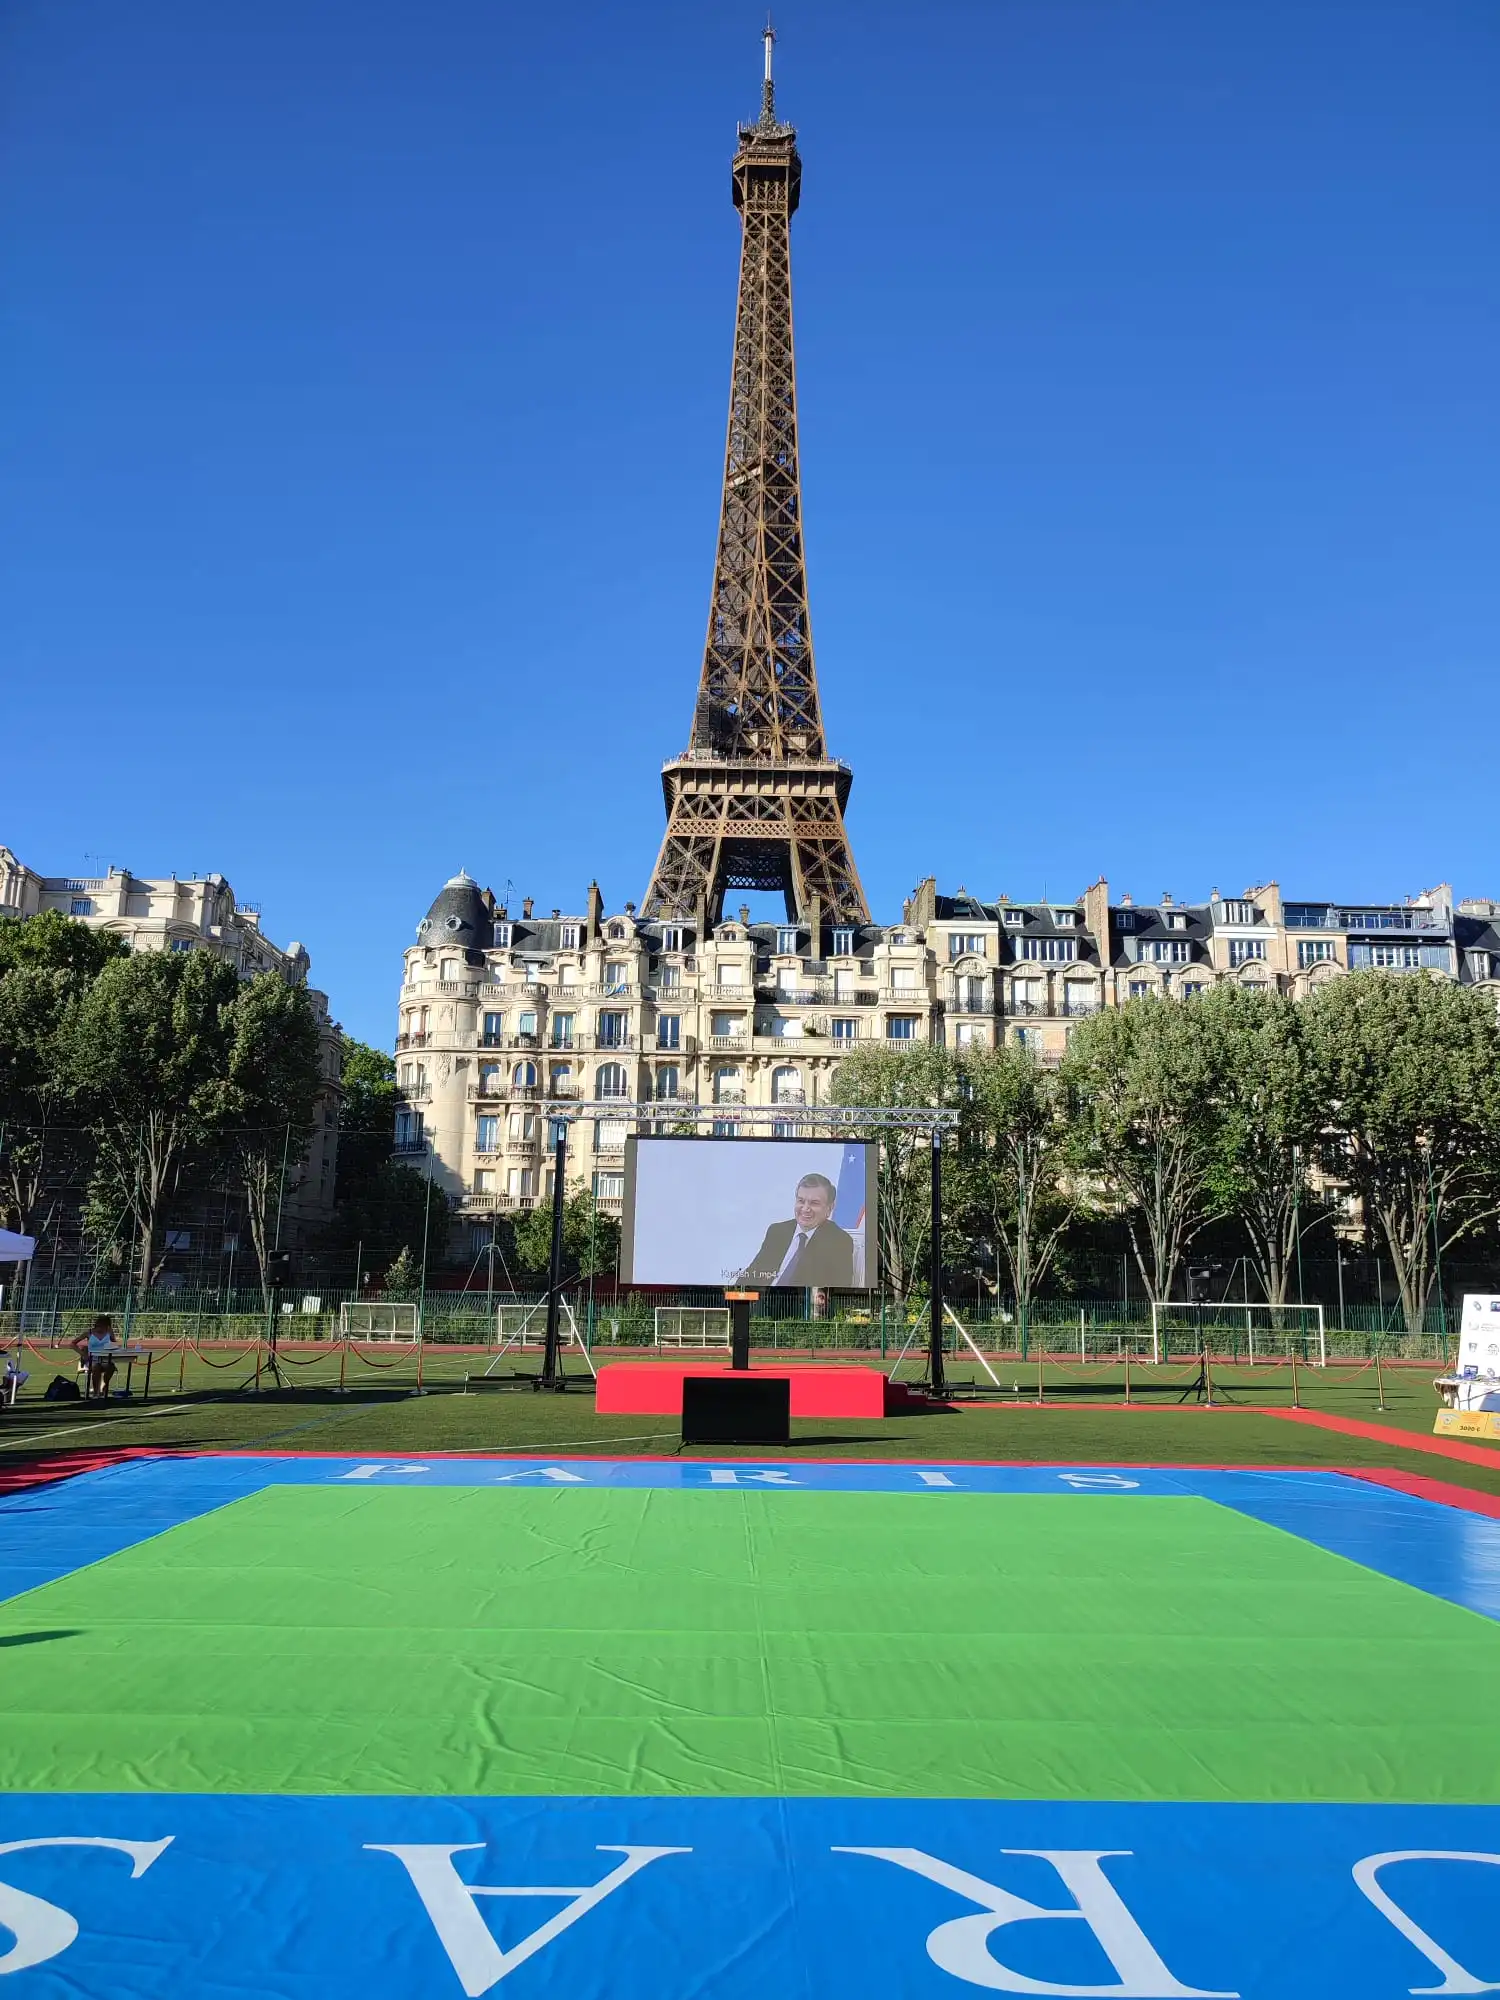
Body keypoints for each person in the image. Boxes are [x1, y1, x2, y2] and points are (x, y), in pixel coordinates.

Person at [739, 1172, 855, 1288]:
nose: (805, 1209)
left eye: (814, 1203)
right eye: (801, 1201)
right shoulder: (777, 1231)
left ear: (829, 1208)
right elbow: (751, 1275)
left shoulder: (840, 1242)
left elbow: (835, 1292)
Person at [71, 1315, 119, 1400]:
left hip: (105, 1358)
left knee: (111, 1366)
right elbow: (73, 1344)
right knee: (96, 1367)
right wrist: (83, 1354)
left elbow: (114, 1345)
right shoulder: (88, 1333)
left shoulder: (109, 1332)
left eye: (106, 1326)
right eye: (101, 1326)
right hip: (92, 1359)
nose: (103, 1328)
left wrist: (112, 1341)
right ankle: (96, 1392)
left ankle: (105, 1385)